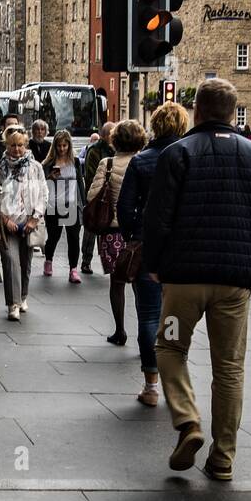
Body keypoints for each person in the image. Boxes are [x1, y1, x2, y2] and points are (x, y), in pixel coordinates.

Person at [142, 80, 251, 480]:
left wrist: (154, 264)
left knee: (169, 347)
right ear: (233, 111)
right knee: (229, 367)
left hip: (183, 278)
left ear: (198, 111)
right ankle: (223, 458)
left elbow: (157, 218)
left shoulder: (178, 153)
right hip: (234, 282)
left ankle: (188, 421)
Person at [117, 102, 189, 406]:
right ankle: (175, 382)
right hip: (183, 251)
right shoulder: (191, 158)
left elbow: (125, 207)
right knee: (174, 318)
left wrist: (134, 234)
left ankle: (151, 385)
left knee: (148, 315)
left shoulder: (141, 160)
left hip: (147, 246)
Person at [87, 119, 148, 344]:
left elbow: (92, 195)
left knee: (117, 283)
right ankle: (145, 332)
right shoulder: (145, 161)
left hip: (113, 231)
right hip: (138, 233)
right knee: (141, 285)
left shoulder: (108, 163)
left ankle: (120, 330)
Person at [0, 126, 47, 321]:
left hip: (29, 222)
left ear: (26, 145)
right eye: (13, 145)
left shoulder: (36, 167)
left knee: (26, 263)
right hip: (7, 223)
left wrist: (35, 218)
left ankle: (23, 296)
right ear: (6, 145)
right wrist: (4, 219)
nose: (17, 149)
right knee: (11, 261)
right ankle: (13, 304)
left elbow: (44, 193)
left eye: (20, 145)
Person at [41, 129, 83, 283]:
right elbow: (41, 184)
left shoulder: (76, 162)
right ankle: (49, 260)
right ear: (55, 146)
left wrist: (83, 204)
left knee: (73, 238)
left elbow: (80, 183)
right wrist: (49, 177)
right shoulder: (48, 163)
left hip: (71, 204)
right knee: (53, 237)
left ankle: (73, 270)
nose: (62, 149)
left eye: (65, 146)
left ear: (69, 146)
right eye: (59, 146)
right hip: (53, 205)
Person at [81, 121, 116, 274]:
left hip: (111, 195)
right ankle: (86, 261)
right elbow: (90, 175)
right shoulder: (94, 150)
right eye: (112, 133)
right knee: (91, 228)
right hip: (96, 195)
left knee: (106, 229)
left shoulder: (117, 149)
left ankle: (106, 260)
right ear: (105, 135)